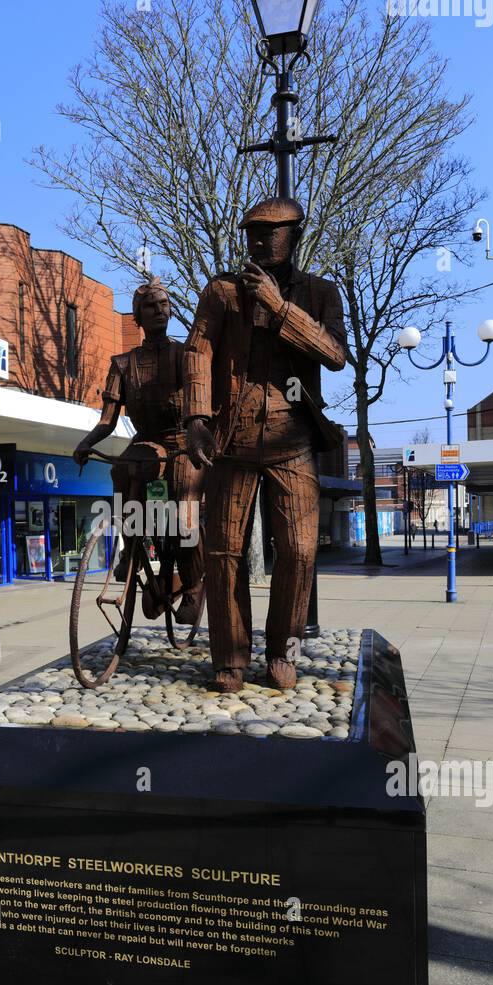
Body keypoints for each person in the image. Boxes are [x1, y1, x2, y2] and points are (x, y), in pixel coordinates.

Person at [183, 197, 348, 693]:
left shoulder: (319, 292)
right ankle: (230, 658)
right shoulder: (221, 292)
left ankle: (283, 652)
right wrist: (195, 417)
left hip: (292, 442)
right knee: (224, 553)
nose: (259, 239)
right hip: (231, 444)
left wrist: (280, 309)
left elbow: (334, 354)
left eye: (271, 231)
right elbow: (198, 349)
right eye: (252, 231)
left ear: (294, 234)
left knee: (298, 551)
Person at [73, 277, 205, 624]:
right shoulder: (123, 364)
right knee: (123, 469)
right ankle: (130, 547)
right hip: (146, 438)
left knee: (185, 514)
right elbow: (108, 420)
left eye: (164, 304)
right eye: (151, 306)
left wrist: (200, 437)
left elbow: (200, 403)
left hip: (181, 441)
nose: (159, 311)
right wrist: (86, 443)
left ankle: (193, 584)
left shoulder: (184, 355)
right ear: (138, 317)